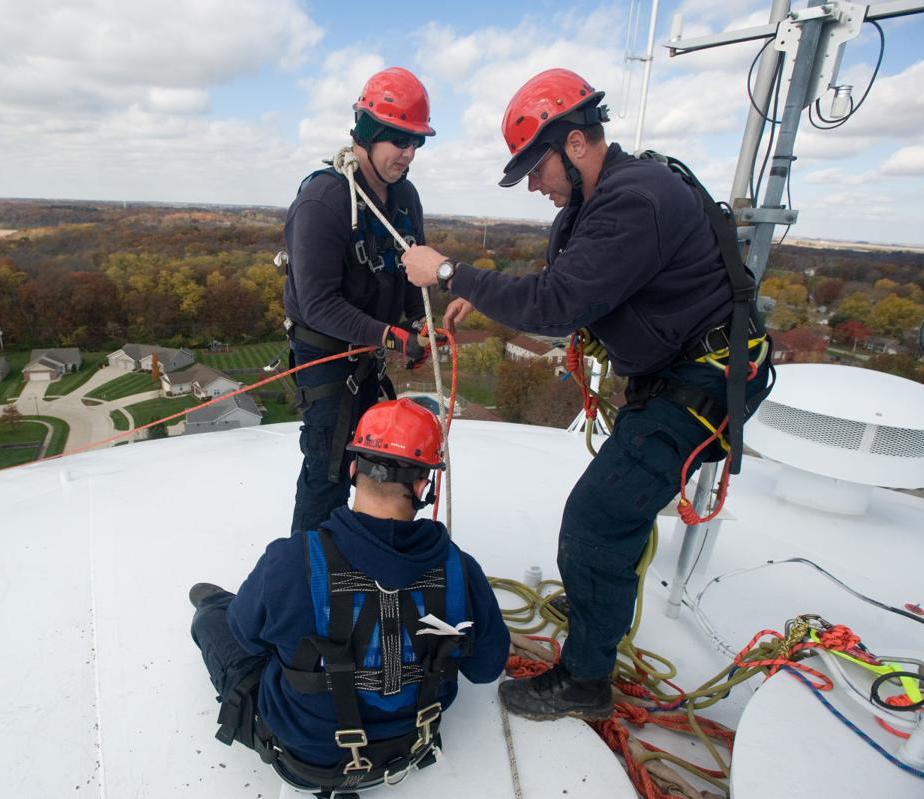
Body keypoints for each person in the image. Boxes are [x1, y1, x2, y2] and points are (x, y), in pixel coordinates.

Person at [402, 68, 772, 720]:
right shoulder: (592, 206)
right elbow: (566, 281)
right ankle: (601, 604)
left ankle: (584, 680)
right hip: (673, 376)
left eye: (535, 169)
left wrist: (451, 270)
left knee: (595, 523)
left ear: (575, 144)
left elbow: (555, 301)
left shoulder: (637, 200)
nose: (533, 186)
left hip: (701, 385)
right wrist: (480, 294)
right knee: (611, 517)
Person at [189, 398, 509, 797]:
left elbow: (246, 636)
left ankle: (209, 604)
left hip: (306, 762)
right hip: (409, 748)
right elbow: (486, 668)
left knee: (215, 617)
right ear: (422, 484)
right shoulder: (461, 570)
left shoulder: (291, 559)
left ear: (353, 468)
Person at [282, 66, 437, 535]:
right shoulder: (323, 202)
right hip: (326, 355)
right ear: (368, 135)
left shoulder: (404, 197)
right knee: (328, 468)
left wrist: (417, 321)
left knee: (369, 464)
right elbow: (317, 304)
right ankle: (304, 574)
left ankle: (349, 553)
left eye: (417, 143)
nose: (409, 154)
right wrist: (390, 335)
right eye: (399, 141)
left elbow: (411, 269)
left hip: (370, 351)